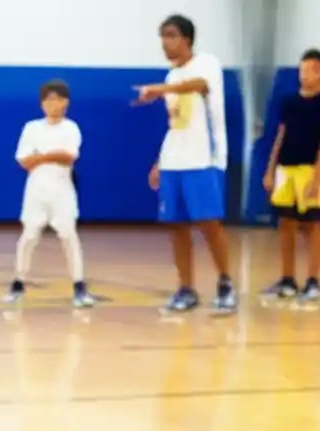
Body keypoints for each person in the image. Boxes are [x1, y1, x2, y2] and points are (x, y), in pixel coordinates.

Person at [135, 14, 236, 315]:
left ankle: (226, 283)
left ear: (187, 39)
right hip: (175, 160)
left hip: (204, 158)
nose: (166, 42)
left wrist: (160, 90)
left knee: (209, 223)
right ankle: (186, 288)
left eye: (171, 35)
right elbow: (176, 124)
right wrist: (160, 161)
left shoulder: (206, 64)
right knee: (176, 226)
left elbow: (199, 85)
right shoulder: (170, 77)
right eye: (162, 36)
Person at [5, 79, 96, 308]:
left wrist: (41, 157)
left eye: (56, 99)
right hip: (36, 190)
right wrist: (49, 156)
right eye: (47, 100)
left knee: (68, 235)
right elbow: (25, 161)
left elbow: (69, 157)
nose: (51, 104)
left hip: (62, 191)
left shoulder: (70, 128)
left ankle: (79, 286)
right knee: (29, 236)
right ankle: (18, 283)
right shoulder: (32, 128)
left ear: (65, 102)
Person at [262, 49, 320, 303]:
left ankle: (313, 280)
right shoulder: (289, 102)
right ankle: (287, 279)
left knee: (311, 225)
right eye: (302, 70)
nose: (305, 75)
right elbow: (280, 136)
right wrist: (270, 169)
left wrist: (317, 176)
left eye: (311, 70)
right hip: (286, 169)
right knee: (286, 224)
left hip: (309, 170)